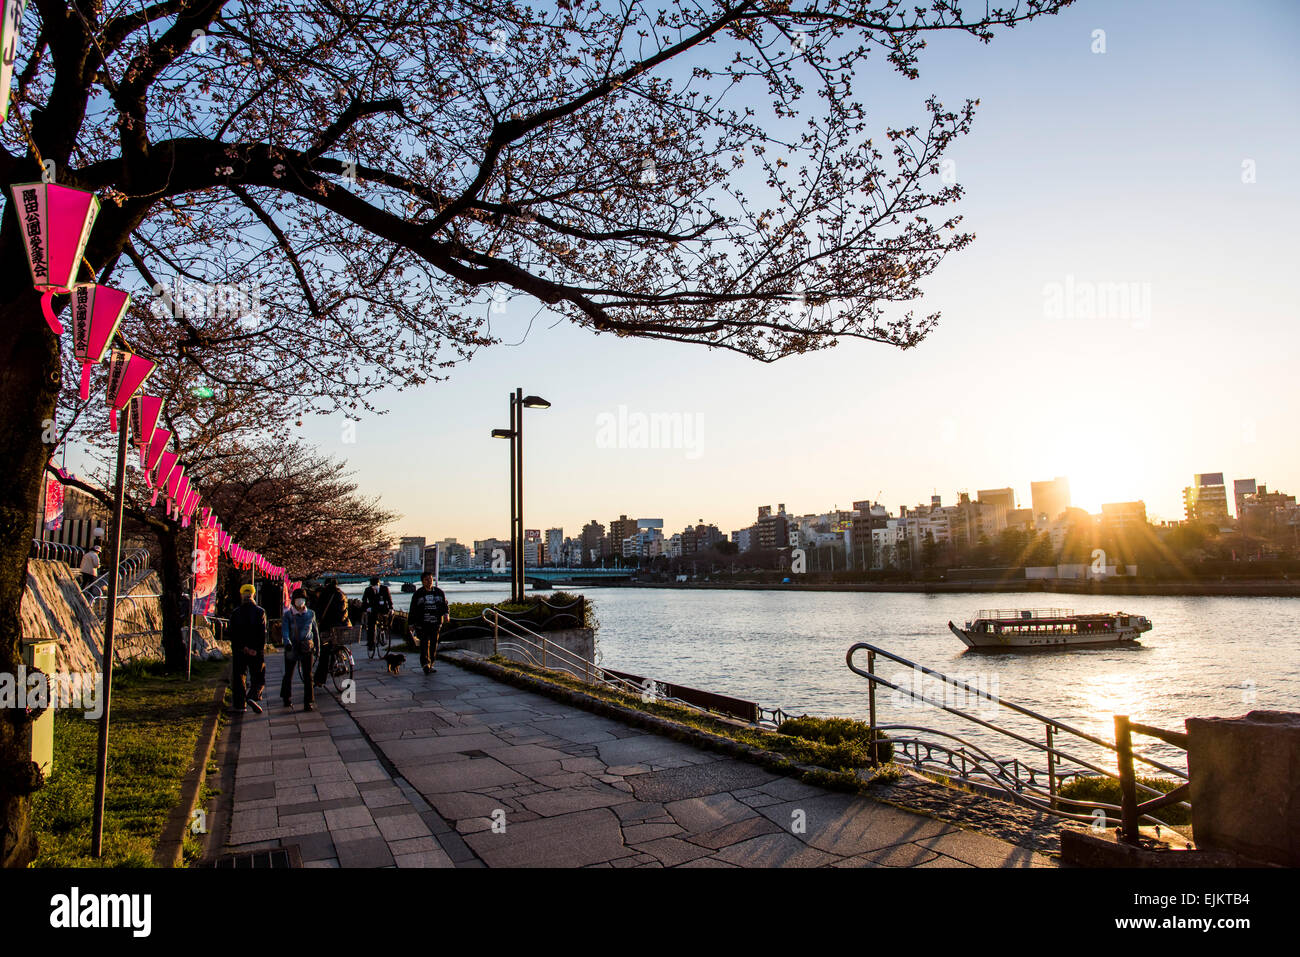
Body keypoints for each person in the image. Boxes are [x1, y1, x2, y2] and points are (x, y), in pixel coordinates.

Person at [228, 584, 268, 713]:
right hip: (256, 650)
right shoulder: (260, 611)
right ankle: (253, 696)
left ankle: (240, 705)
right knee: (258, 676)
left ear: (241, 595)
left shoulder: (235, 612)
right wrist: (256, 649)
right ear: (254, 594)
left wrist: (243, 647)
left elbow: (233, 633)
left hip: (240, 650)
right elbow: (262, 633)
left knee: (239, 676)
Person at [281, 587, 319, 710]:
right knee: (289, 674)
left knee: (308, 676)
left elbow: (315, 632)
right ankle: (286, 697)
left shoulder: (311, 614)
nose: (300, 601)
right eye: (297, 599)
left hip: (307, 647)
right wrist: (287, 642)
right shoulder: (288, 615)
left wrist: (317, 647)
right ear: (293, 601)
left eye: (302, 599)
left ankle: (308, 702)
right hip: (292, 647)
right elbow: (285, 631)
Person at [408, 571, 449, 675]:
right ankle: (425, 664)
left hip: (436, 623)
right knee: (424, 644)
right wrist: (411, 623)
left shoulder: (439, 592)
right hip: (422, 623)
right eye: (427, 579)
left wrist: (446, 614)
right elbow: (412, 608)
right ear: (422, 581)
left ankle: (431, 663)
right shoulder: (418, 594)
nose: (429, 581)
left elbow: (445, 605)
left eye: (431, 579)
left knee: (434, 644)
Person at [313, 579, 351, 686]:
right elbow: (345, 611)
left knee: (324, 652)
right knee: (337, 644)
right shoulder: (342, 594)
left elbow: (319, 611)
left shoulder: (324, 594)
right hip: (342, 626)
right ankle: (340, 659)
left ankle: (320, 679)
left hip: (328, 626)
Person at [362, 576, 393, 653]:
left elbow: (389, 599)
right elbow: (364, 600)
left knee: (387, 621)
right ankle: (371, 644)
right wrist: (367, 608)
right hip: (372, 610)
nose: (375, 587)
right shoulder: (368, 590)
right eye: (373, 586)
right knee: (371, 626)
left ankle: (383, 631)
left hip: (383, 609)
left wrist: (391, 608)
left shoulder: (385, 589)